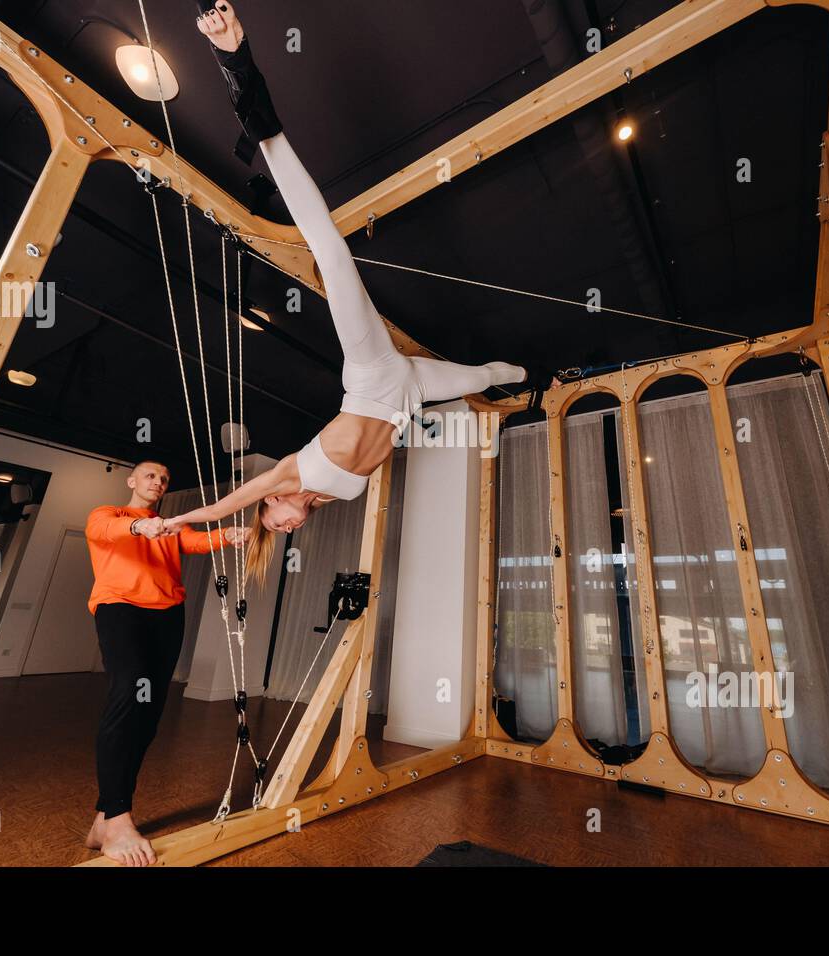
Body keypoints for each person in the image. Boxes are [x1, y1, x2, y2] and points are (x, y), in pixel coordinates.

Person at [158, 1, 546, 584]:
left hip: (369, 376)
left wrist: (172, 525)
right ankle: (539, 376)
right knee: (487, 374)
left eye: (276, 523)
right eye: (285, 532)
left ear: (272, 503)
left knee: (330, 249)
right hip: (409, 394)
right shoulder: (332, 498)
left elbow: (219, 509)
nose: (286, 526)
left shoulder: (285, 477)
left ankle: (236, 62)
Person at [83, 460, 243, 866]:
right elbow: (105, 532)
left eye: (165, 479)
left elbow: (194, 542)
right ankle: (118, 819)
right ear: (132, 481)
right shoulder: (110, 515)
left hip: (168, 614)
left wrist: (231, 534)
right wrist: (140, 526)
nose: (159, 482)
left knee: (149, 713)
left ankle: (106, 816)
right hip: (121, 608)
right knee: (127, 693)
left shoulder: (170, 526)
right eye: (151, 476)